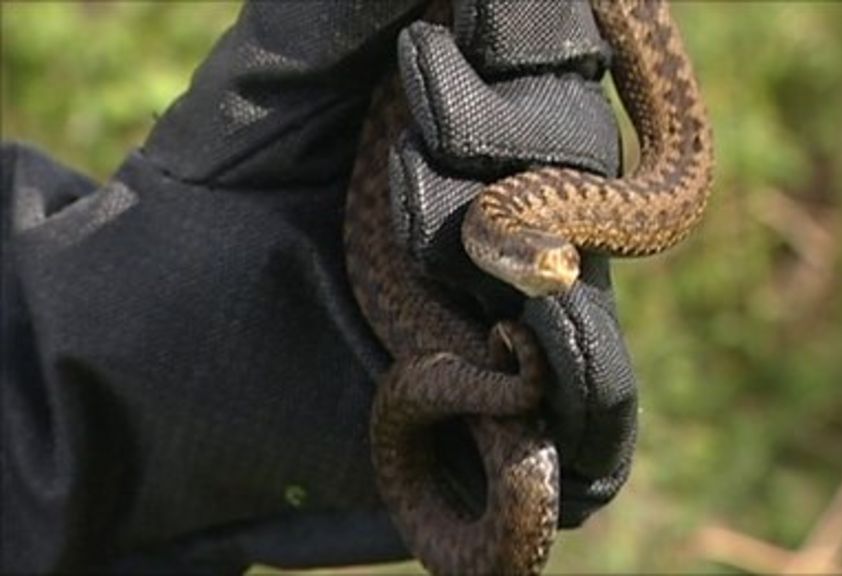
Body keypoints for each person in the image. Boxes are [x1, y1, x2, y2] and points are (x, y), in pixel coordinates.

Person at [1, 1, 639, 572]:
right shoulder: (490, 234)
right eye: (543, 264)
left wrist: (61, 384)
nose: (558, 275)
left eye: (562, 262)